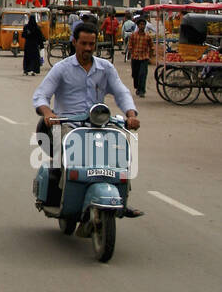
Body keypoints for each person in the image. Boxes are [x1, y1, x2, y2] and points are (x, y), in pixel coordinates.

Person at [32, 21, 142, 215]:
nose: (88, 48)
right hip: (68, 125)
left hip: (98, 124)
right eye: (84, 43)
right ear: (74, 42)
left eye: (92, 44)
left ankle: (122, 199)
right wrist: (48, 113)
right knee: (70, 156)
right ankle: (63, 198)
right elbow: (41, 95)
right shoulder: (62, 68)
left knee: (122, 147)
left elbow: (121, 92)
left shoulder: (105, 68)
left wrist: (131, 115)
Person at [127, 15, 155, 99]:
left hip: (144, 58)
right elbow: (130, 46)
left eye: (143, 24)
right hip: (135, 58)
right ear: (138, 26)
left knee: (142, 74)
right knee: (135, 74)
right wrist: (131, 52)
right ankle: (137, 87)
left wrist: (150, 55)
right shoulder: (133, 35)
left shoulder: (147, 36)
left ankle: (142, 90)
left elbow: (151, 47)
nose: (142, 26)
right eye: (140, 24)